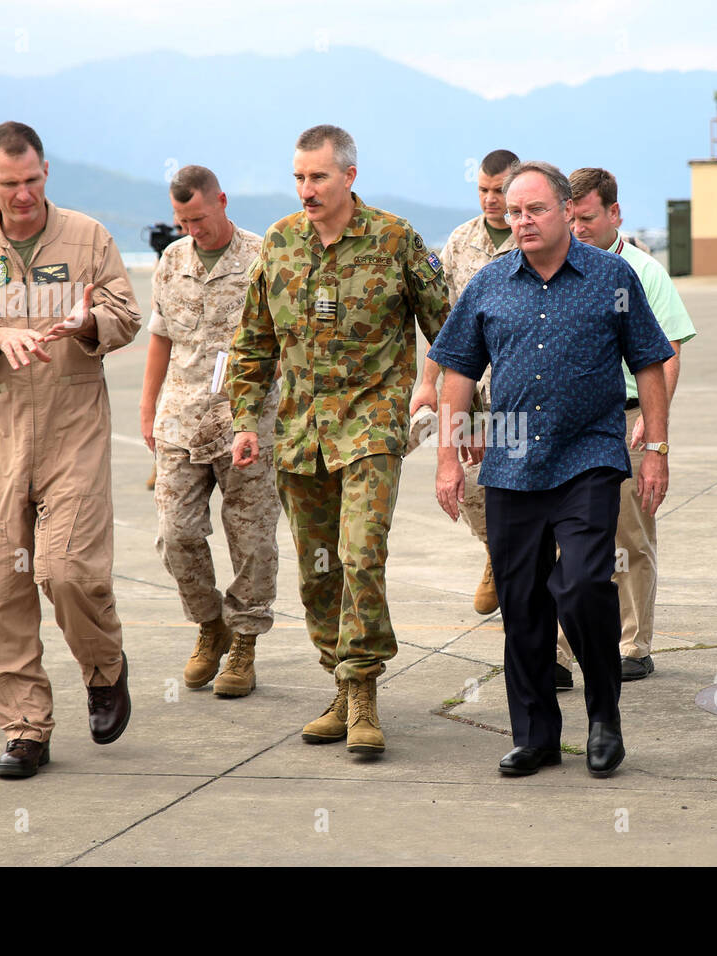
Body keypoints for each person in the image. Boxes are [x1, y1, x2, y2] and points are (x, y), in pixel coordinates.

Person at [427, 161, 674, 778]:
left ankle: (602, 715)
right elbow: (456, 371)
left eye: (535, 209)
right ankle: (535, 735)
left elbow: (650, 360)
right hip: (510, 461)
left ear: (567, 211)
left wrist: (656, 452)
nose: (523, 221)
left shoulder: (612, 277)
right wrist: (448, 460)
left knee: (585, 583)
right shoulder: (488, 284)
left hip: (587, 454)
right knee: (522, 603)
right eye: (514, 212)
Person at [0, 121, 140, 778]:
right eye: (10, 184)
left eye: (33, 180)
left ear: (47, 170)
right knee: (1, 587)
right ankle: (25, 729)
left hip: (73, 423)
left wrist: (90, 320)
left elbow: (127, 312)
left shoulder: (88, 237)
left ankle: (104, 671)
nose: (23, 195)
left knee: (69, 570)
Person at [227, 125, 450, 754]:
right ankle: (339, 679)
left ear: (349, 176)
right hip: (299, 433)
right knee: (318, 571)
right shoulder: (280, 242)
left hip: (372, 425)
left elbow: (452, 328)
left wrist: (452, 404)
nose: (306, 189)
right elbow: (252, 342)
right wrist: (247, 421)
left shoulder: (395, 239)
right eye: (299, 177)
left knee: (360, 552)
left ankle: (363, 692)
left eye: (318, 177)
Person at [139, 165, 279, 699]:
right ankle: (209, 625)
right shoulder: (172, 259)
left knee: (252, 538)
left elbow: (282, 339)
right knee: (176, 534)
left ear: (221, 200)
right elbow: (160, 337)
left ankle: (243, 642)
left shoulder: (263, 255)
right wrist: (148, 407)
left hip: (248, 420)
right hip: (181, 417)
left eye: (198, 217)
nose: (192, 228)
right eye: (183, 220)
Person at [559, 167, 696, 683]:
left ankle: (632, 644)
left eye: (588, 218)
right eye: (570, 218)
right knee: (560, 538)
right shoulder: (554, 267)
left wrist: (654, 426)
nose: (578, 229)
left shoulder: (643, 272)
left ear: (615, 213)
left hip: (629, 414)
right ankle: (557, 652)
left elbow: (667, 354)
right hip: (569, 418)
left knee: (629, 534)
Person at [410, 149, 519, 616]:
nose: (490, 200)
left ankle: (526, 579)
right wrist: (426, 381)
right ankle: (497, 554)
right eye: (483, 190)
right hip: (471, 390)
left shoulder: (534, 235)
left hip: (523, 389)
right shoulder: (460, 241)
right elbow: (446, 322)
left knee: (526, 491)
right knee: (473, 485)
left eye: (499, 191)